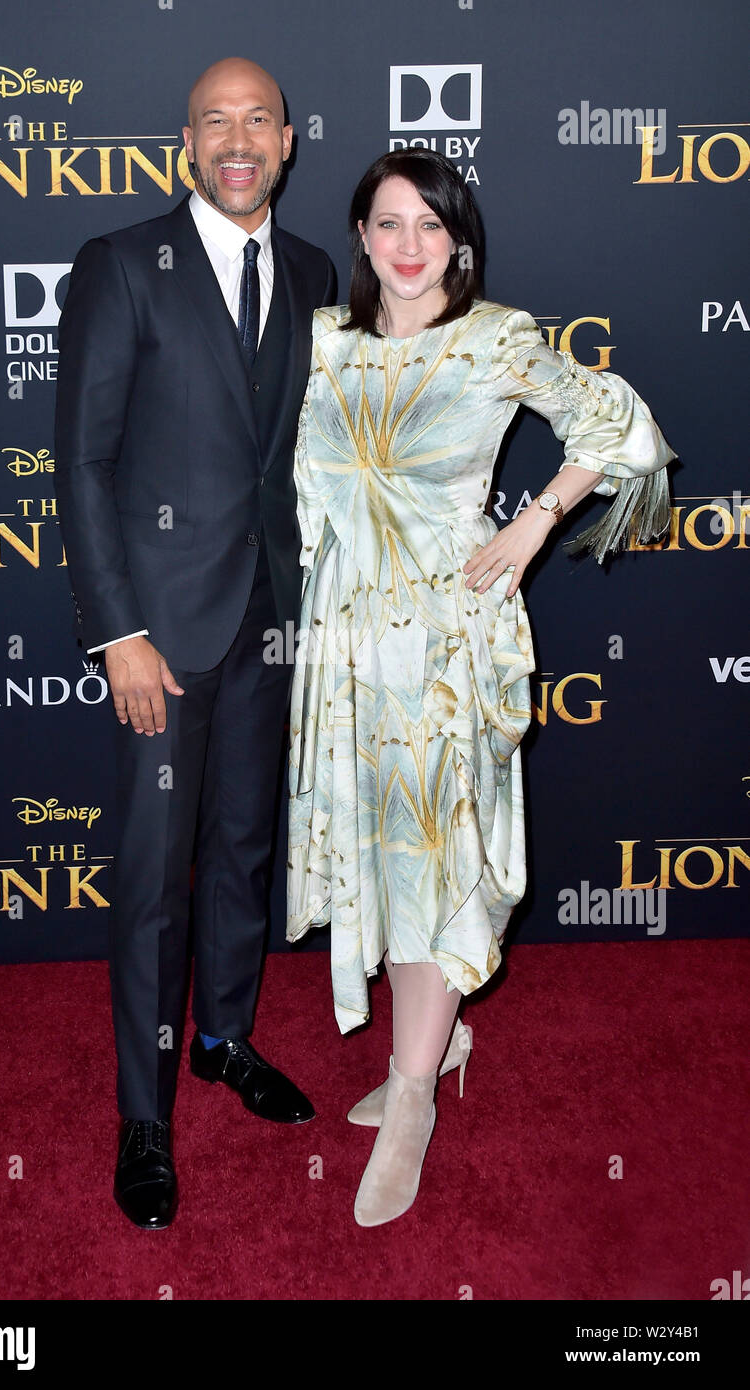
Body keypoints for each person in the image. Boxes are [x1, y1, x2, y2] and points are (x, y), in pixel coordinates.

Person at [287, 148, 675, 1227]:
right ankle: (435, 1037)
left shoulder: (496, 338)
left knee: (434, 857)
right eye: (385, 224)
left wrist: (536, 517)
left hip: (448, 649)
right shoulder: (320, 343)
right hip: (347, 646)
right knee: (386, 856)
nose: (407, 246)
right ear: (359, 238)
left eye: (428, 225)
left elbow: (617, 425)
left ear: (457, 240)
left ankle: (412, 1092)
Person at [54, 57, 336, 1230]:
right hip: (160, 640)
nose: (237, 141)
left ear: (285, 142)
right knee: (152, 886)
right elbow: (83, 463)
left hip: (272, 624)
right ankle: (144, 1115)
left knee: (241, 854)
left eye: (256, 121)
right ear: (186, 146)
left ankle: (222, 1039)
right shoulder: (123, 267)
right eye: (214, 122)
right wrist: (117, 630)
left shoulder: (317, 271)